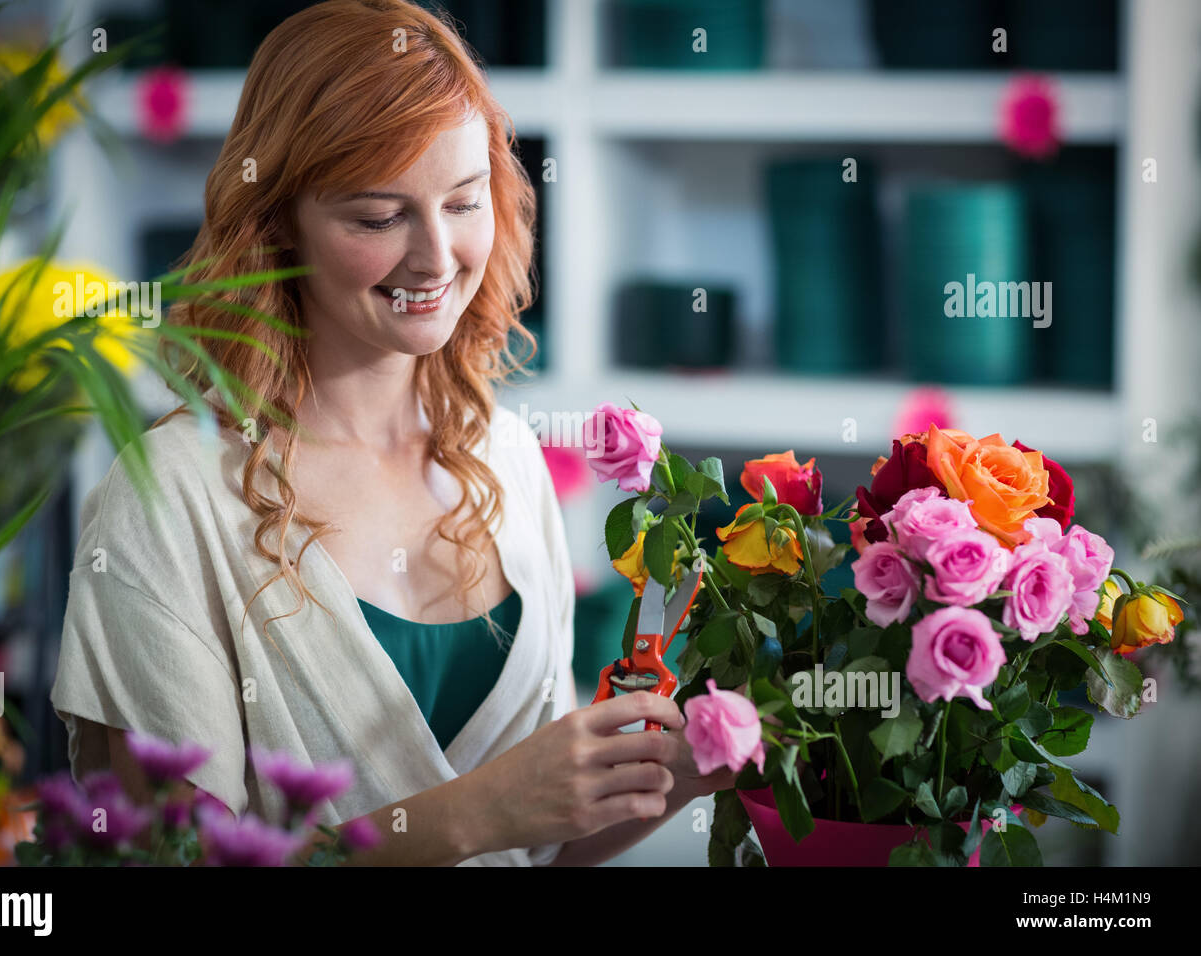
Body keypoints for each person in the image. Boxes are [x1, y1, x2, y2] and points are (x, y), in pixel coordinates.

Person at [50, 0, 735, 867]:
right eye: (379, 217)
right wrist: (474, 815)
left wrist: (696, 764)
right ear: (275, 222)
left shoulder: (505, 455)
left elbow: (540, 842)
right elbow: (170, 861)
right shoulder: (168, 496)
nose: (436, 256)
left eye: (463, 202)